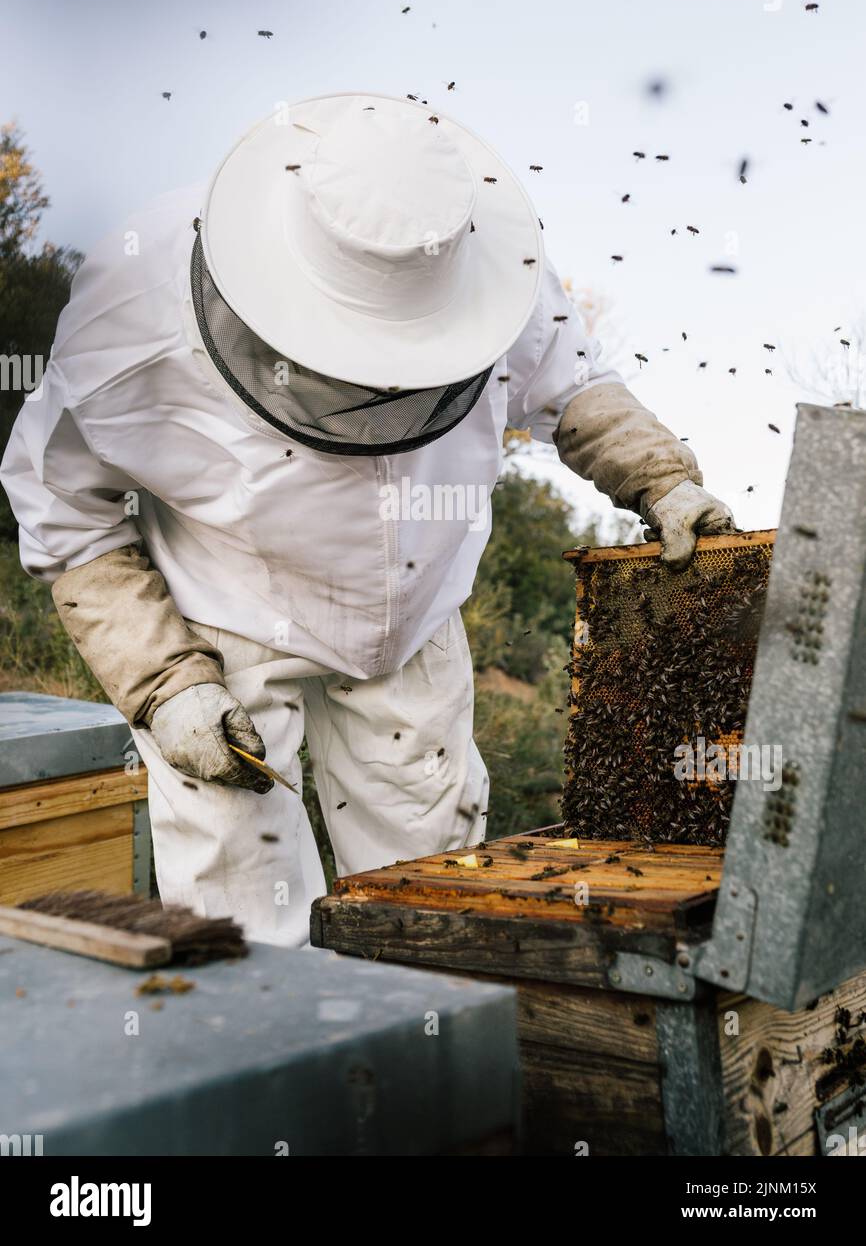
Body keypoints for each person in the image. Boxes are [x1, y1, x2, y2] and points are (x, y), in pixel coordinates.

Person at [1, 92, 734, 946]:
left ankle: (417, 1062)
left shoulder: (490, 268)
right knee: (243, 910)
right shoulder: (128, 317)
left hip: (415, 613)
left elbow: (574, 384)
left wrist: (661, 478)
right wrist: (166, 682)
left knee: (431, 905)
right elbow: (65, 513)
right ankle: (278, 1067)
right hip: (226, 614)